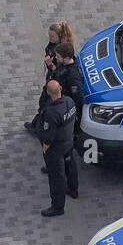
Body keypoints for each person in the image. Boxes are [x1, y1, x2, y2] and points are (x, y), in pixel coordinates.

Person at [37, 79, 78, 217]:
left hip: (56, 150)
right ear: (60, 88)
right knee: (70, 165)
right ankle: (73, 189)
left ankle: (57, 207)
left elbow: (49, 136)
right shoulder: (70, 102)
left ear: (48, 93)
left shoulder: (52, 113)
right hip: (68, 143)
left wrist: (45, 148)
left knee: (56, 179)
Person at [50, 41, 86, 197]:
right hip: (62, 112)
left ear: (65, 58)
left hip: (68, 119)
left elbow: (78, 101)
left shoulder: (73, 77)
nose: (55, 58)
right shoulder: (65, 68)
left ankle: (73, 188)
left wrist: (68, 113)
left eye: (57, 56)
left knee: (68, 157)